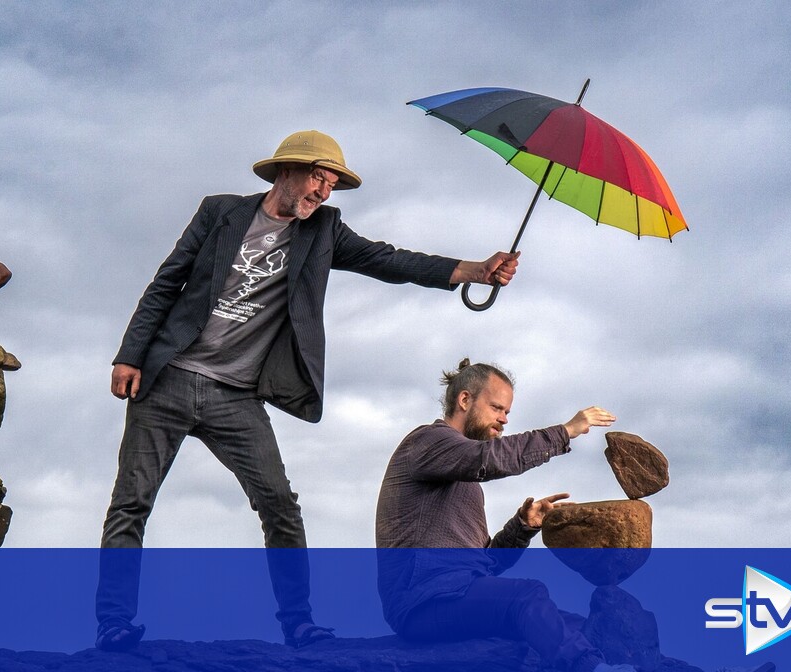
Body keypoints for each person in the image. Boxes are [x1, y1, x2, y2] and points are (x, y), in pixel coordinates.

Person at [96, 130, 521, 652]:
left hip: (236, 396)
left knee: (280, 504)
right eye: (319, 177)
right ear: (286, 171)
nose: (324, 190)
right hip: (170, 378)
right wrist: (129, 354)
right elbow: (168, 281)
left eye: (333, 183)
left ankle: (298, 622)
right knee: (132, 502)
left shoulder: (324, 231)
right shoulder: (220, 212)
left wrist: (475, 270)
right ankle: (114, 623)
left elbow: (391, 260)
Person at [375, 359, 633, 672]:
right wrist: (565, 432)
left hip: (456, 595)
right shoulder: (427, 441)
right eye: (497, 408)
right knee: (527, 596)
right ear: (465, 400)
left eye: (507, 412)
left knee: (574, 625)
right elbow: (490, 458)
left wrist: (523, 527)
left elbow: (488, 564)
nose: (504, 420)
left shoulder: (463, 479)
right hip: (421, 602)